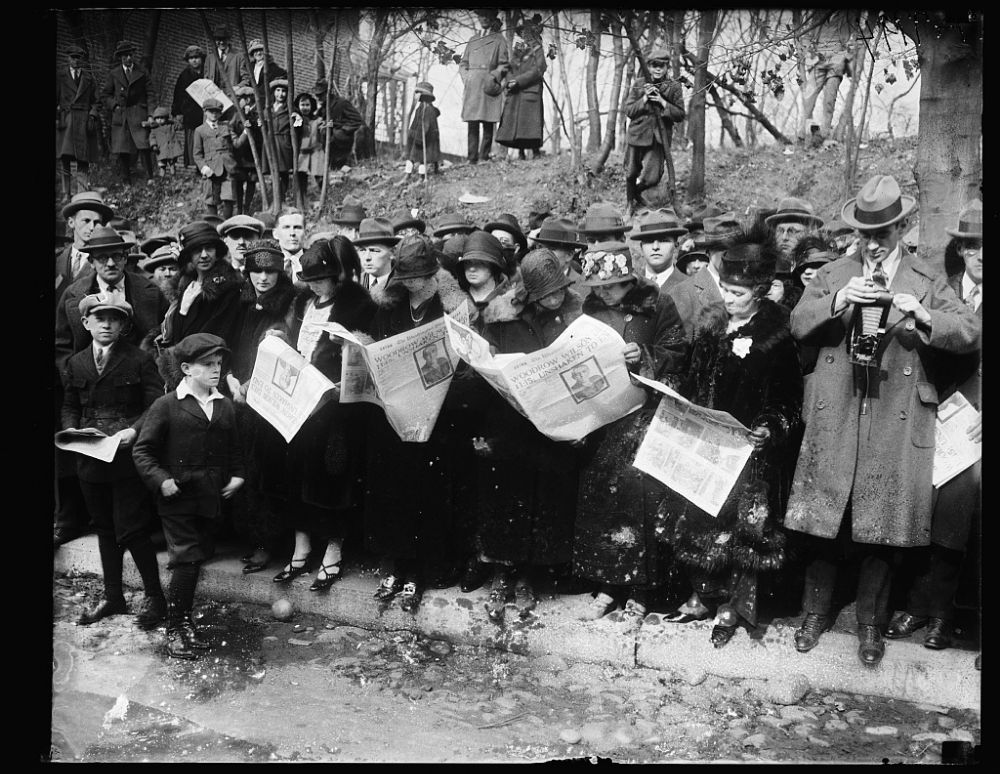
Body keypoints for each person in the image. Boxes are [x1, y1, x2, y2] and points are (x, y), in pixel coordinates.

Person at [783, 175, 980, 667]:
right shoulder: (834, 272)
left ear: (902, 228)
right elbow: (797, 323)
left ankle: (870, 624)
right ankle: (815, 614)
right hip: (839, 407)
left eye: (882, 234)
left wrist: (925, 316)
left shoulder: (925, 277)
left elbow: (970, 331)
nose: (872, 245)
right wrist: (837, 300)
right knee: (826, 516)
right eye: (864, 235)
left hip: (896, 409)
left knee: (882, 519)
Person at [660, 224, 803, 648]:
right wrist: (675, 395)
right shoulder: (710, 324)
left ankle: (734, 605)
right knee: (698, 517)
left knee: (744, 532)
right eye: (724, 289)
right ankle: (703, 593)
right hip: (707, 440)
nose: (728, 298)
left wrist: (770, 427)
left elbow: (789, 398)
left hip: (749, 451)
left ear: (759, 291)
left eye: (738, 293)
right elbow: (690, 377)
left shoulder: (776, 335)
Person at [572, 241, 687, 621]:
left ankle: (641, 590)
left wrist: (646, 356)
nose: (603, 293)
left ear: (630, 282)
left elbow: (679, 353)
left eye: (611, 286)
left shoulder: (658, 305)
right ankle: (608, 584)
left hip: (644, 417)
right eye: (598, 287)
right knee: (602, 500)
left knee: (640, 501)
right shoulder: (590, 309)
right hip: (603, 418)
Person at [887, 200, 982, 653]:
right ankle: (917, 604)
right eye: (974, 247)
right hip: (933, 409)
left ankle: (943, 613)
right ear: (961, 250)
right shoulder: (939, 288)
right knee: (918, 506)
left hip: (975, 423)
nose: (983, 256)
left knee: (956, 512)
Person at [257, 238, 375, 589]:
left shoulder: (357, 304)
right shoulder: (302, 302)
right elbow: (296, 341)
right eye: (309, 280)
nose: (315, 286)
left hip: (337, 406)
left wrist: (350, 346)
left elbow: (370, 351)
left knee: (332, 480)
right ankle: (302, 546)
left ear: (336, 276)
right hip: (301, 401)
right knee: (296, 474)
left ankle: (333, 550)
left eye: (321, 279)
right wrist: (280, 336)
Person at [474, 248, 583, 623]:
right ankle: (502, 574)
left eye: (560, 290)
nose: (556, 298)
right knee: (507, 502)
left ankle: (528, 578)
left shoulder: (574, 315)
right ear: (529, 293)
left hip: (554, 424)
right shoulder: (501, 318)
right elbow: (484, 370)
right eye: (547, 294)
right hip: (509, 424)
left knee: (542, 503)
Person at [363, 238, 471, 608]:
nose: (412, 285)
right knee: (394, 493)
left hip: (436, 416)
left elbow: (465, 360)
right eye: (406, 278)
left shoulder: (448, 307)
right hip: (395, 416)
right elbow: (376, 345)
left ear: (433, 275)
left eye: (419, 278)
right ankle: (396, 565)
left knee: (427, 494)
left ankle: (419, 572)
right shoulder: (391, 306)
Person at [132, 333, 245, 660]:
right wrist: (161, 480)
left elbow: (234, 448)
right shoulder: (167, 405)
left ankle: (184, 623)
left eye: (219, 363)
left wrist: (238, 475)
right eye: (207, 364)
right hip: (177, 497)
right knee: (186, 559)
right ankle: (176, 628)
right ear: (185, 368)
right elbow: (142, 451)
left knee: (196, 557)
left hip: (210, 498)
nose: (216, 370)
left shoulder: (223, 405)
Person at [62, 295, 167, 629]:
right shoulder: (76, 362)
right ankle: (113, 597)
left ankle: (156, 599)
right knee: (105, 529)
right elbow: (70, 404)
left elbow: (155, 405)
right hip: (90, 458)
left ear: (123, 325)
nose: (106, 325)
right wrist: (71, 430)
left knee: (132, 529)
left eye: (114, 319)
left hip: (126, 458)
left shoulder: (139, 359)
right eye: (99, 318)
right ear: (86, 323)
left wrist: (133, 431)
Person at [56, 226, 169, 374]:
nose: (110, 264)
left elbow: (167, 338)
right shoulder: (73, 295)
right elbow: (62, 346)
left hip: (139, 379)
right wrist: (73, 378)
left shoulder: (151, 291)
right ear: (91, 261)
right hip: (90, 381)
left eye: (116, 256)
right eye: (102, 257)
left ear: (125, 258)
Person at [158, 222, 245, 370]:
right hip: (183, 364)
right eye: (197, 250)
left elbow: (219, 335)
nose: (204, 255)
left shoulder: (228, 287)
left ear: (217, 252)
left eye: (209, 248)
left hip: (207, 365)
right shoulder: (186, 284)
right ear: (189, 255)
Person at [624, 47, 686, 213]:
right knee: (631, 173)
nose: (658, 69)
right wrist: (645, 98)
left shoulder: (674, 86)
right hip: (637, 134)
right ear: (649, 67)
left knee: (652, 178)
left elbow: (680, 114)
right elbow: (629, 110)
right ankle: (629, 205)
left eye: (662, 66)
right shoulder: (639, 84)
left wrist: (662, 101)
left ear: (667, 67)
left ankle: (635, 194)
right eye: (654, 65)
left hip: (659, 138)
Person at [665, 212, 742, 345]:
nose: (730, 255)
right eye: (723, 249)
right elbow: (674, 349)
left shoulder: (748, 287)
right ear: (709, 251)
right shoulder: (683, 293)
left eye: (736, 249)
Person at [460, 9, 510, 164]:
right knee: (472, 122)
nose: (484, 19)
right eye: (481, 16)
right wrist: (467, 77)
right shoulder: (472, 40)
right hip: (473, 86)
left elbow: (504, 64)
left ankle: (483, 156)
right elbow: (463, 63)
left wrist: (494, 76)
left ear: (492, 18)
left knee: (488, 122)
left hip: (489, 84)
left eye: (487, 16)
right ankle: (471, 158)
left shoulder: (499, 39)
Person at [101, 40, 153, 183]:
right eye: (125, 56)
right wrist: (114, 106)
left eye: (130, 55)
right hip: (121, 114)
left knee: (144, 146)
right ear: (120, 57)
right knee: (123, 148)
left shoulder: (142, 72)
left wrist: (150, 114)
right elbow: (105, 95)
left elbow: (150, 94)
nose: (129, 58)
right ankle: (126, 182)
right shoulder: (114, 74)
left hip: (139, 113)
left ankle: (150, 178)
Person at [496, 14, 547, 159]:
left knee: (531, 122)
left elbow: (539, 69)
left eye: (527, 32)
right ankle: (521, 152)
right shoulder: (518, 50)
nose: (525, 35)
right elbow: (510, 68)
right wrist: (510, 81)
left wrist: (519, 81)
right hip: (516, 91)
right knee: (516, 123)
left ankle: (536, 152)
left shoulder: (538, 49)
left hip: (531, 90)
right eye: (522, 33)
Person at [56, 45, 101, 201]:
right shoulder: (60, 76)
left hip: (83, 122)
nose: (76, 61)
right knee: (65, 158)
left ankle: (81, 193)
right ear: (68, 58)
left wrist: (92, 116)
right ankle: (66, 193)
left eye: (78, 58)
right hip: (66, 121)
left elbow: (97, 101)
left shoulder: (89, 79)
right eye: (73, 57)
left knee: (83, 159)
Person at [56, 191, 114, 304]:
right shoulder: (58, 258)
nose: (91, 227)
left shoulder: (108, 262)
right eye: (86, 221)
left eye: (96, 222)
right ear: (71, 222)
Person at [193, 98, 243, 220]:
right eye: (211, 111)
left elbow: (236, 142)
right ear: (205, 111)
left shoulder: (226, 127)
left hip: (228, 167)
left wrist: (248, 128)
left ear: (220, 113)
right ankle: (213, 226)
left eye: (217, 111)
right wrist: (204, 168)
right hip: (211, 170)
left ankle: (226, 225)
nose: (214, 114)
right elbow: (197, 154)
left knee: (229, 198)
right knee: (211, 199)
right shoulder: (200, 130)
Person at [629, 208, 690, 290]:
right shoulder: (630, 285)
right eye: (649, 241)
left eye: (663, 240)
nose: (655, 247)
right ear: (641, 247)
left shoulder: (689, 287)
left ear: (676, 246)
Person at [765, 196, 824, 273]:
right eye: (780, 231)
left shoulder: (818, 267)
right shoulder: (767, 266)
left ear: (809, 234)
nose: (784, 237)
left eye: (792, 231)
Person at [313, 81, 363, 171]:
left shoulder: (342, 103)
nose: (318, 98)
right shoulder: (322, 107)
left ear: (328, 92)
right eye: (317, 95)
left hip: (341, 142)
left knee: (339, 167)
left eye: (321, 95)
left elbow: (357, 120)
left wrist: (340, 130)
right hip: (327, 142)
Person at [171, 45, 207, 169]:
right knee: (193, 140)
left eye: (197, 57)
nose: (194, 60)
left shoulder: (207, 73)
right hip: (190, 113)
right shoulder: (184, 75)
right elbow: (178, 95)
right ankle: (194, 164)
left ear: (201, 58)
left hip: (205, 112)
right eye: (191, 58)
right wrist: (178, 113)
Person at [531, 217, 587, 295]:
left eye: (551, 249)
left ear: (569, 255)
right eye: (540, 248)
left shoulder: (582, 288)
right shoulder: (531, 282)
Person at [229, 85, 262, 214]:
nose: (239, 102)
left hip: (252, 155)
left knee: (251, 182)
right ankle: (238, 208)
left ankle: (247, 207)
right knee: (239, 181)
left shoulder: (257, 115)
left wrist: (253, 125)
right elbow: (232, 129)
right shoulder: (236, 116)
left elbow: (261, 132)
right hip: (240, 155)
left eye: (241, 99)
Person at [262, 79, 294, 203]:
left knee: (283, 171)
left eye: (283, 91)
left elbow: (297, 126)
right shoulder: (267, 109)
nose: (281, 94)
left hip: (283, 141)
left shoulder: (290, 109)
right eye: (278, 90)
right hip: (270, 142)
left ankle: (282, 199)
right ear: (273, 93)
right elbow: (261, 125)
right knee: (273, 171)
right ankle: (274, 200)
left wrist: (298, 121)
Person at [292, 92, 325, 203]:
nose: (305, 108)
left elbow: (324, 129)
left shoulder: (317, 120)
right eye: (302, 105)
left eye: (307, 105)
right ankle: (302, 201)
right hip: (302, 152)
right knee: (301, 177)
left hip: (315, 151)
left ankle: (323, 199)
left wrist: (326, 126)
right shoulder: (296, 119)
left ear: (312, 106)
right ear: (298, 106)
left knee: (319, 175)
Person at [204, 23, 250, 99]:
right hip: (214, 98)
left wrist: (238, 87)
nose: (222, 42)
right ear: (215, 40)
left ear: (229, 39)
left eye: (224, 39)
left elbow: (246, 79)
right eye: (219, 39)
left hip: (233, 98)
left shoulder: (239, 56)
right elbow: (206, 80)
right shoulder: (209, 58)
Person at [404, 82, 441, 176]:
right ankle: (407, 175)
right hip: (416, 137)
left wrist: (419, 138)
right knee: (411, 157)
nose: (416, 95)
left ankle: (421, 177)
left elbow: (425, 125)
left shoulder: (427, 109)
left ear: (424, 95)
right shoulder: (421, 108)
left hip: (423, 138)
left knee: (421, 158)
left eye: (418, 93)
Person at [354, 218, 400, 292]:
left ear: (392, 252)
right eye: (362, 250)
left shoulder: (404, 285)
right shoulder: (354, 285)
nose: (367, 257)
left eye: (374, 250)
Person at [273, 208, 306, 288]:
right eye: (286, 227)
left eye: (297, 227)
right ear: (275, 233)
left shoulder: (316, 262)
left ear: (306, 232)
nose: (292, 233)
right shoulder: (270, 261)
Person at [148, 106, 184, 176]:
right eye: (157, 118)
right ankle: (162, 178)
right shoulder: (154, 129)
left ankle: (173, 175)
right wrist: (154, 145)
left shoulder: (171, 125)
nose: (159, 120)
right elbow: (152, 138)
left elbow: (180, 127)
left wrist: (177, 120)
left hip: (171, 148)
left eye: (162, 118)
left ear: (166, 118)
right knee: (162, 165)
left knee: (172, 164)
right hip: (161, 150)